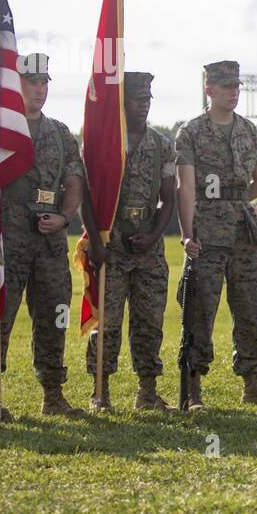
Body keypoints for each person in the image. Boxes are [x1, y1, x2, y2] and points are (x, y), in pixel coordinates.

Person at [0, 53, 87, 417]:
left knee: (55, 313)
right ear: (14, 86)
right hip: (10, 234)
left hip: (50, 240)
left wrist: (65, 216)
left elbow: (73, 181)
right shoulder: (0, 132)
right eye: (32, 83)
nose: (40, 89)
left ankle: (53, 395)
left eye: (44, 83)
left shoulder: (60, 133)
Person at [175, 60, 257, 410]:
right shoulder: (191, 132)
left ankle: (252, 383)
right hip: (206, 232)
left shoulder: (250, 131)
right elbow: (185, 187)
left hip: (243, 231)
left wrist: (234, 200)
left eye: (236, 86)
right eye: (225, 87)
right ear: (209, 90)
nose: (233, 92)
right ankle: (193, 390)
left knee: (250, 307)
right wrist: (187, 233)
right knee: (200, 309)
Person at [81, 70, 175, 412]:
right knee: (106, 322)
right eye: (138, 99)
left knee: (149, 320)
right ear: (123, 103)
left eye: (148, 99)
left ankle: (147, 393)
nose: (144, 106)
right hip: (112, 242)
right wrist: (95, 240)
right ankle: (100, 393)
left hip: (148, 245)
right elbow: (86, 198)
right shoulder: (103, 144)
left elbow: (169, 199)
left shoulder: (163, 145)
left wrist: (153, 235)